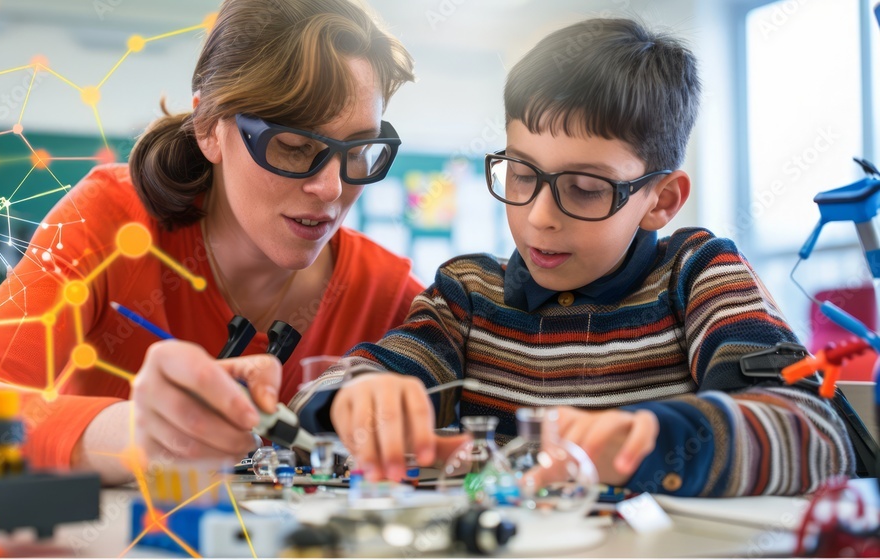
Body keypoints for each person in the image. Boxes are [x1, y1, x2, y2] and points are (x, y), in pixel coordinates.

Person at [292, 18, 854, 496]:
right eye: (521, 173)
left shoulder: (697, 274)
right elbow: (318, 399)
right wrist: (359, 397)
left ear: (661, 200)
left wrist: (650, 442)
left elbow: (818, 434)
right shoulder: (467, 295)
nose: (539, 216)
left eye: (585, 188)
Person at [0, 0, 422, 485]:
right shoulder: (112, 224)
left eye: (360, 149)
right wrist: (133, 435)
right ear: (208, 128)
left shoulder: (388, 292)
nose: (333, 188)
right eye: (293, 146)